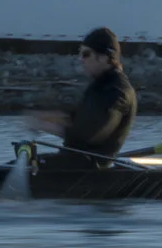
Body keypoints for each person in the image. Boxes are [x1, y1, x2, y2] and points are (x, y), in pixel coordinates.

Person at [24, 26, 138, 165]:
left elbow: (89, 134)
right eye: (80, 54)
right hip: (74, 162)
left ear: (104, 57)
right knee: (22, 161)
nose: (80, 60)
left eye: (86, 54)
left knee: (22, 165)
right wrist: (43, 117)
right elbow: (77, 118)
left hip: (90, 170)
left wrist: (43, 125)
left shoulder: (118, 92)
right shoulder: (100, 86)